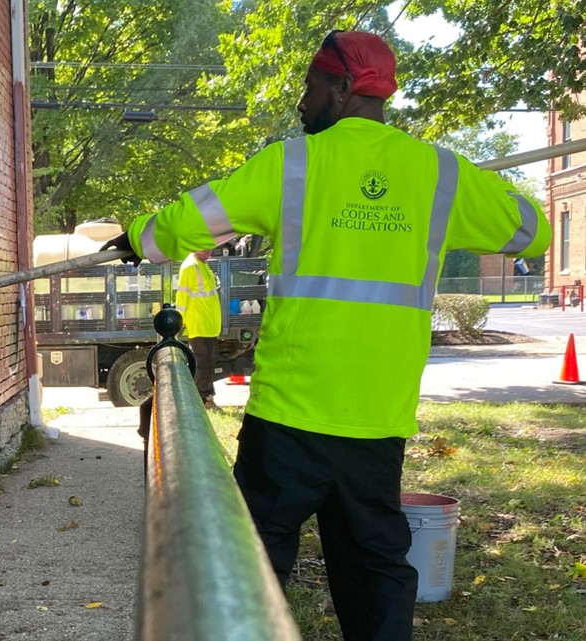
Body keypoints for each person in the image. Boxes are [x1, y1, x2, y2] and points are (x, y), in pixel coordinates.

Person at [104, 30, 550, 641]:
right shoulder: (441, 175)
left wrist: (138, 237)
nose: (301, 102)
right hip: (376, 422)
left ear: (343, 88)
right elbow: (534, 233)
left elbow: (193, 218)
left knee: (245, 569)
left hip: (289, 416)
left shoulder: (292, 164)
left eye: (311, 87)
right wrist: (461, 188)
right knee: (375, 573)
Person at [175, 250, 222, 407]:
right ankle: (199, 400)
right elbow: (182, 296)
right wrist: (179, 320)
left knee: (208, 362)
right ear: (195, 247)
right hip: (199, 324)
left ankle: (207, 397)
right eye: (205, 248)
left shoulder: (203, 264)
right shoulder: (190, 267)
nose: (209, 251)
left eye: (210, 248)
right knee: (202, 363)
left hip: (209, 324)